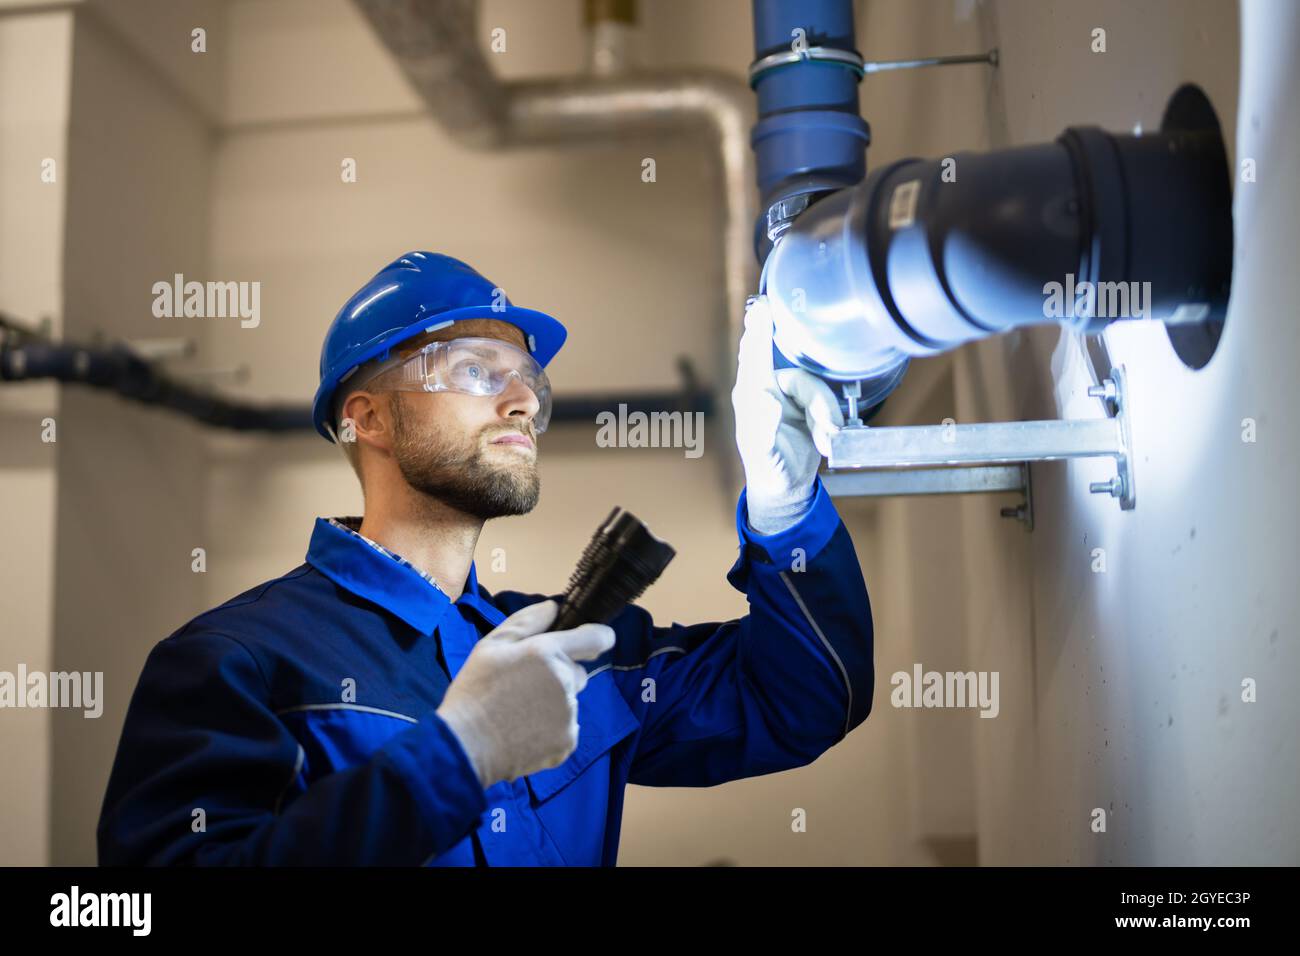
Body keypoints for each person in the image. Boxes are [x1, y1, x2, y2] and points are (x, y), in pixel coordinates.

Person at [97, 251, 874, 866]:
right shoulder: (234, 664)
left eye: (528, 379)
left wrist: (784, 506)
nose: (526, 401)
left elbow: (802, 702)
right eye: (476, 371)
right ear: (368, 417)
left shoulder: (569, 654)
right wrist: (457, 758)